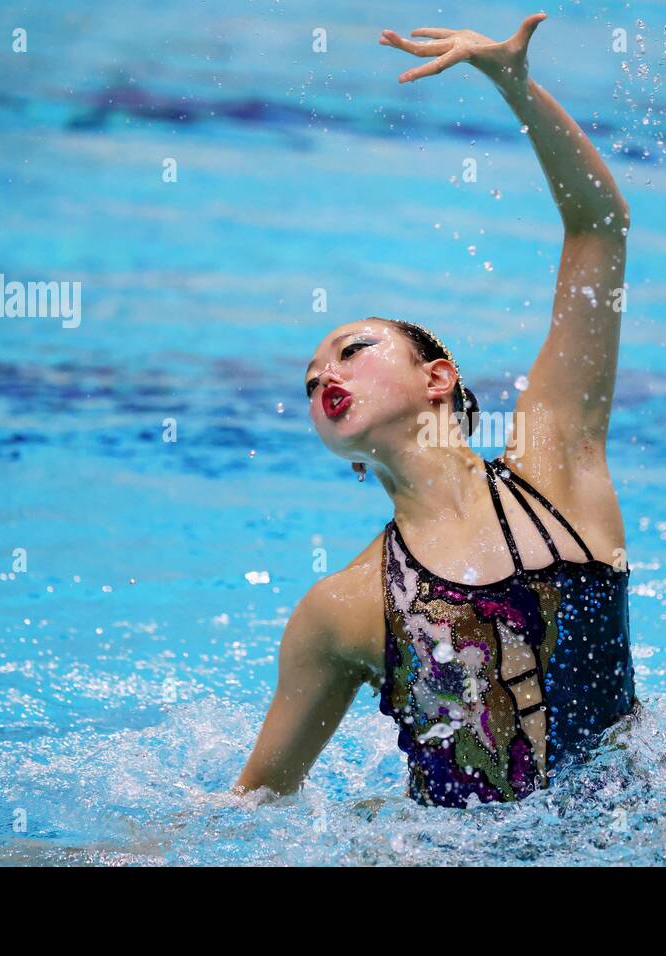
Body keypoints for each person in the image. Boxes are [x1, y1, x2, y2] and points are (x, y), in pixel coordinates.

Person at [234, 12, 634, 807]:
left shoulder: (557, 470)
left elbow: (600, 227)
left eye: (351, 351)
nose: (324, 380)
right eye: (310, 383)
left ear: (438, 378)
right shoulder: (341, 610)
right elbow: (255, 805)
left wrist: (515, 88)